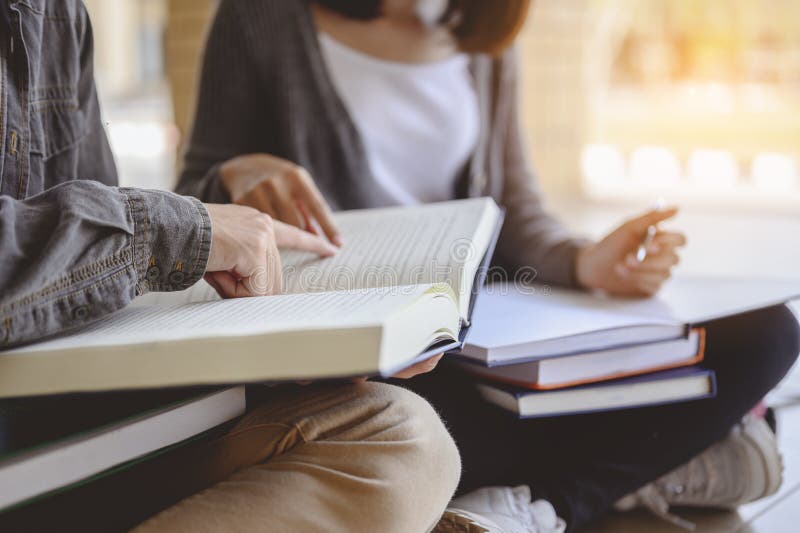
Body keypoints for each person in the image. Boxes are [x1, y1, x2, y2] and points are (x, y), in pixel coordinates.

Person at [177, 0, 800, 531]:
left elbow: (517, 208)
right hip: (367, 366)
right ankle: (655, 462)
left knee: (767, 333)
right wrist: (236, 174)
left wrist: (586, 261)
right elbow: (189, 200)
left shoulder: (480, 30)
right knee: (422, 436)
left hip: (484, 334)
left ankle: (540, 503)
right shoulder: (260, 16)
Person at [0, 1, 462, 531]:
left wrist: (285, 340)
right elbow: (147, 219)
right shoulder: (259, 17)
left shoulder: (58, 13)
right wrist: (182, 224)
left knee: (405, 435)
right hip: (30, 437)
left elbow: (104, 252)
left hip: (75, 412)